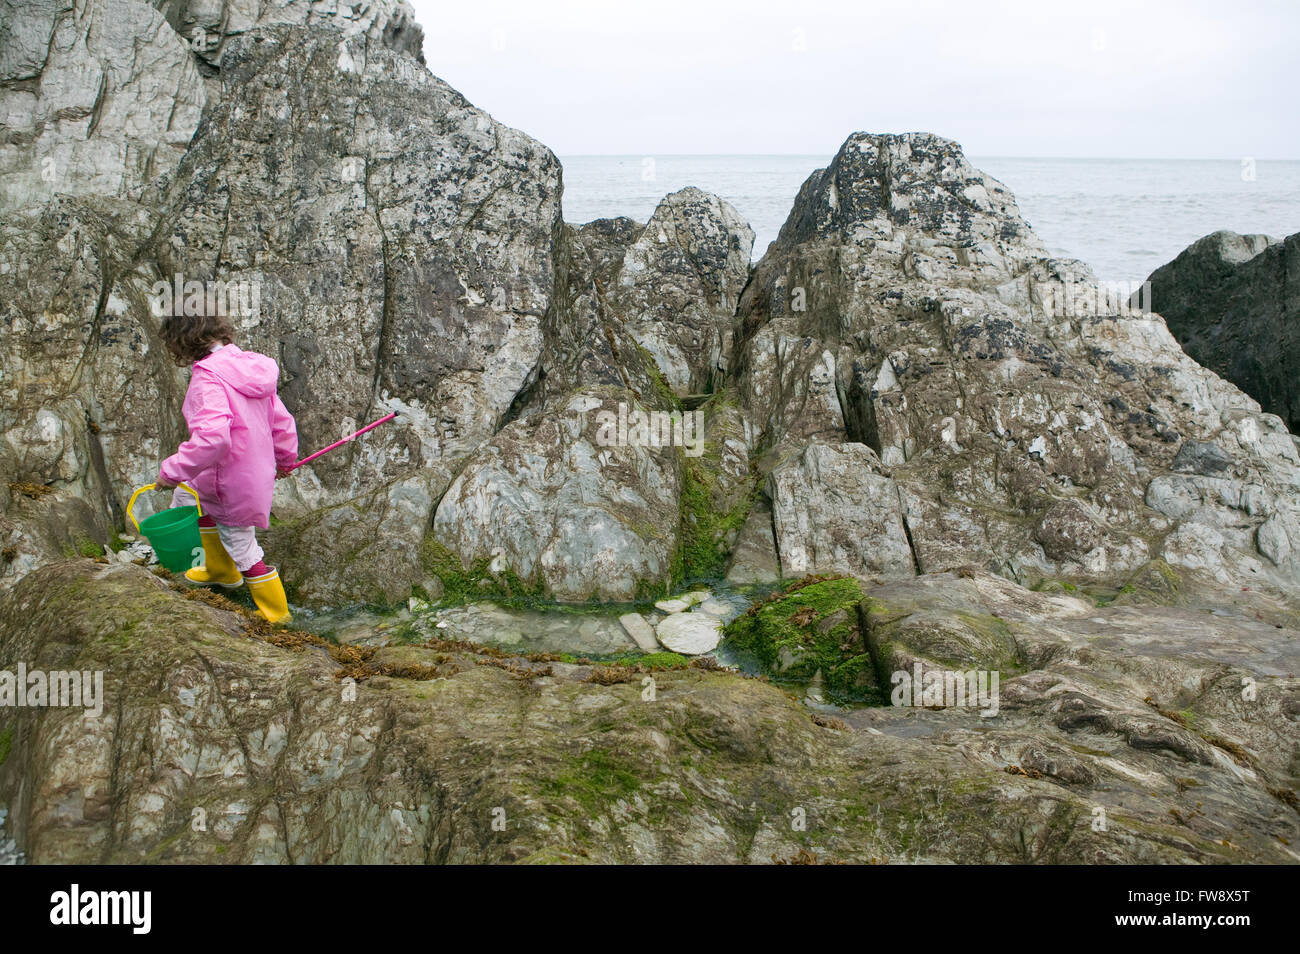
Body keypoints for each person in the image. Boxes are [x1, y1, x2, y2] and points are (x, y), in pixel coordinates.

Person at [155, 311, 297, 623]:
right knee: (188, 497)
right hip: (248, 473)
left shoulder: (207, 377)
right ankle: (219, 570)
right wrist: (286, 459)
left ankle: (278, 617)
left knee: (242, 544)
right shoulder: (248, 367)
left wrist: (171, 471)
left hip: (226, 479)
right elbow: (282, 422)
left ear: (182, 343)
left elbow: (212, 439)